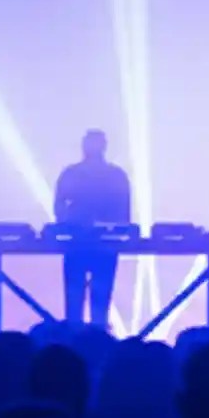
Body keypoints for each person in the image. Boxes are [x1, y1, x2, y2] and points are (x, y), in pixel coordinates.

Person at [55, 129, 131, 328]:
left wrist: (67, 224)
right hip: (92, 244)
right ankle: (92, 333)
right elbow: (124, 213)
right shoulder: (115, 175)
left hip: (84, 243)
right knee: (93, 297)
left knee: (85, 297)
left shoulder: (73, 174)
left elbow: (59, 206)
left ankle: (80, 333)